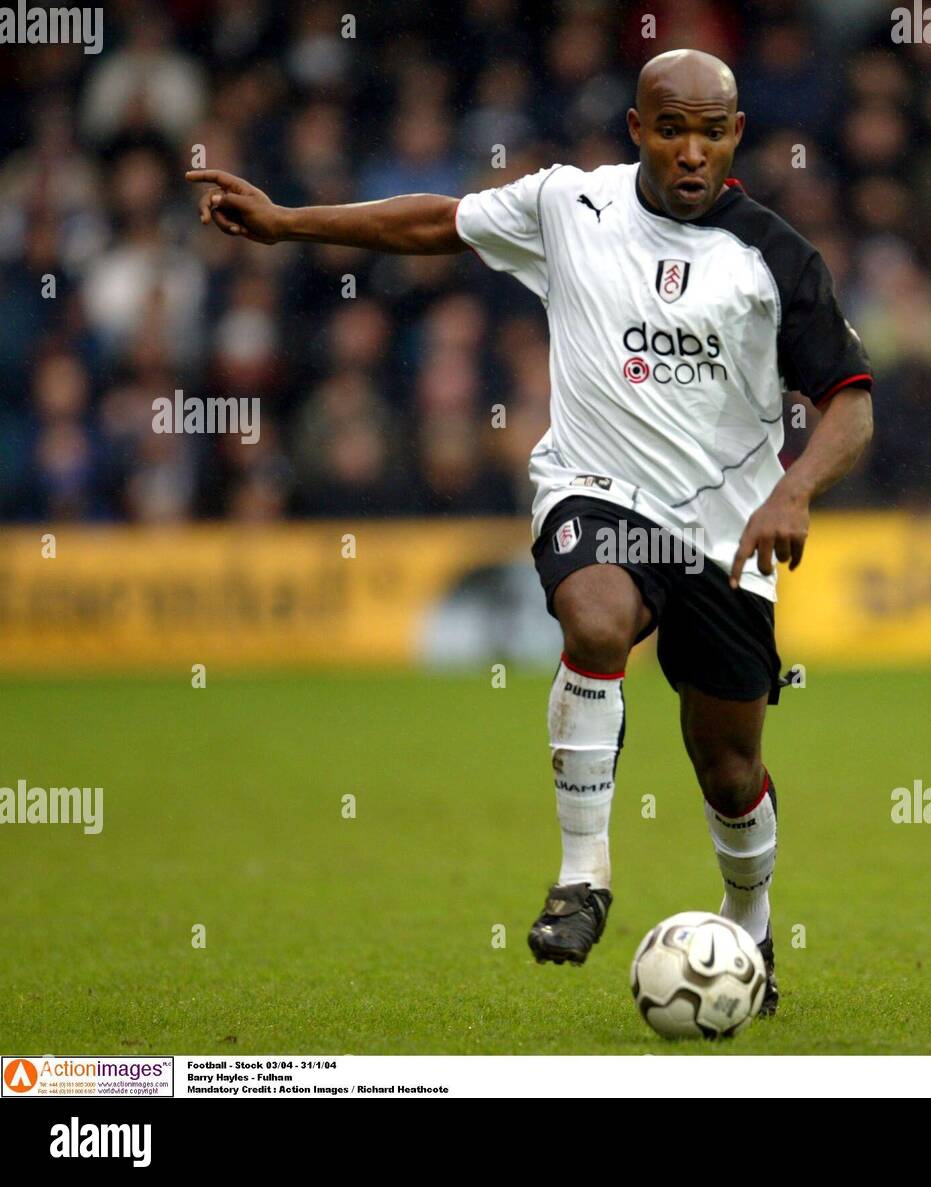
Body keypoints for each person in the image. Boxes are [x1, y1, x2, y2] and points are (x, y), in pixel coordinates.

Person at [187, 49, 874, 1017]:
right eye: (669, 128)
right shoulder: (568, 206)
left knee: (727, 768)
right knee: (594, 620)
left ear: (736, 136)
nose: (689, 150)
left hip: (726, 537)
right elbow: (437, 220)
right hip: (596, 492)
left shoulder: (777, 259)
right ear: (636, 129)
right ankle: (582, 876)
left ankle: (749, 923)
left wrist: (795, 490)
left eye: (709, 131)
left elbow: (848, 404)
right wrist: (289, 222)